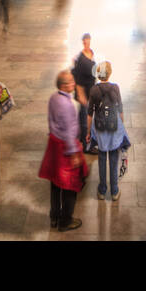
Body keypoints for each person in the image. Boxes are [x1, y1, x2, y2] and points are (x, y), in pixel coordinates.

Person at [40, 70, 86, 231]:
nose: (74, 84)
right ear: (64, 85)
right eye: (71, 82)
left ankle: (54, 216)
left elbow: (51, 120)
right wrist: (74, 154)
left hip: (54, 143)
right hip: (66, 148)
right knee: (70, 185)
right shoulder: (68, 105)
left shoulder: (53, 98)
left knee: (55, 182)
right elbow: (69, 130)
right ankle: (65, 221)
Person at [87, 61, 128, 201]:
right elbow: (120, 109)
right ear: (109, 73)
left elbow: (89, 113)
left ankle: (102, 190)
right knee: (114, 159)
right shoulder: (115, 88)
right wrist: (122, 126)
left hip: (100, 128)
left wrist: (88, 132)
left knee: (102, 158)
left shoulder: (94, 90)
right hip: (113, 127)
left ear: (98, 74)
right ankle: (115, 191)